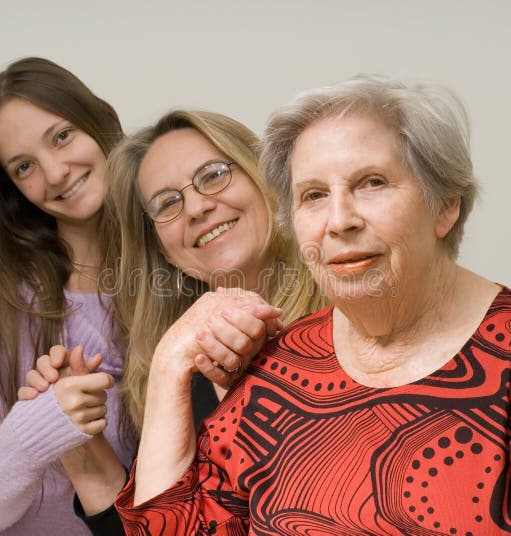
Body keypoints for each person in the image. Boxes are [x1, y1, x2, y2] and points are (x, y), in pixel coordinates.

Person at [115, 76, 511, 534]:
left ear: (445, 206)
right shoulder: (275, 373)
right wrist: (168, 364)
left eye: (371, 183)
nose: (339, 220)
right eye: (313, 195)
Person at [19, 109, 328, 530]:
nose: (197, 208)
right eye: (167, 203)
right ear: (164, 251)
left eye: (214, 174)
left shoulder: (353, 316)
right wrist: (83, 454)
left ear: (266, 179)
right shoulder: (184, 383)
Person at [0, 57, 132, 535]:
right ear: (11, 188)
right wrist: (46, 422)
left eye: (62, 136)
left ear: (102, 119)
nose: (55, 172)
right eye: (24, 166)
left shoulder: (181, 266)